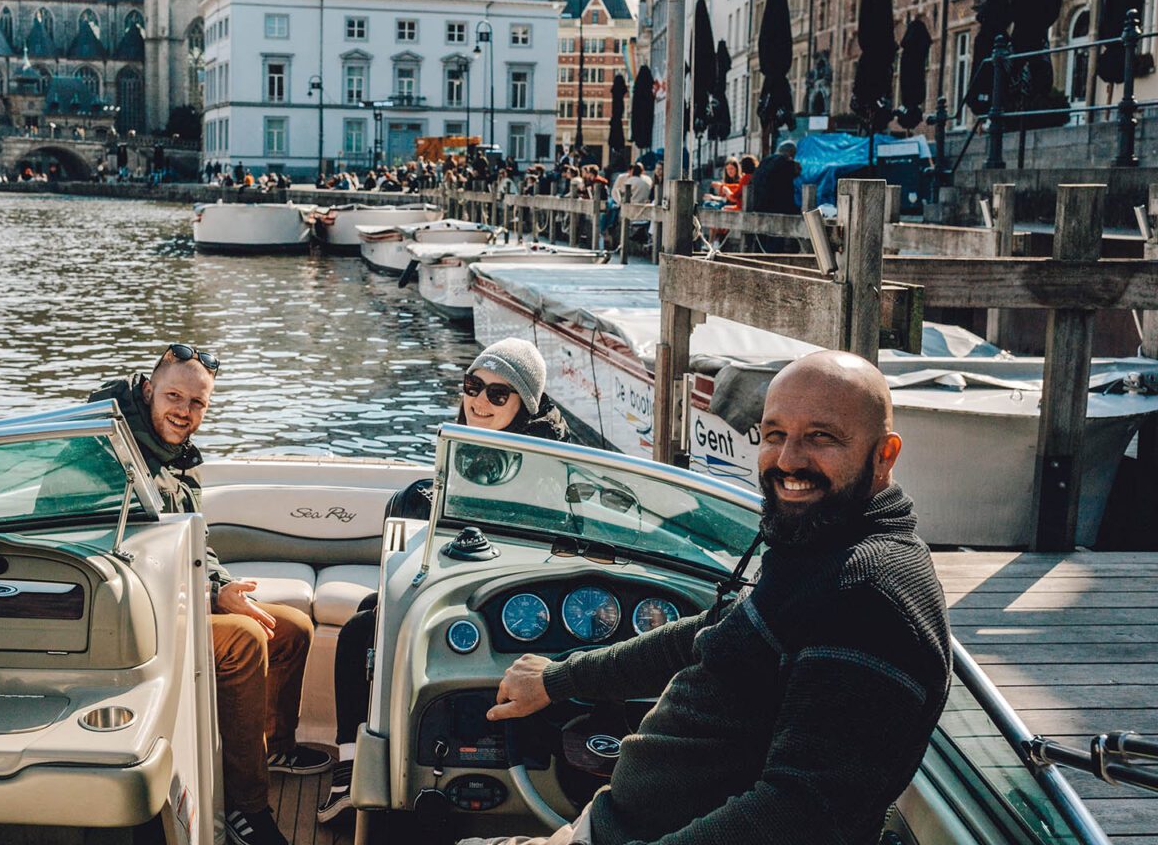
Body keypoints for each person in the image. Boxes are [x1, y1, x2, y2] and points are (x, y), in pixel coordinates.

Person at [467, 351, 950, 845]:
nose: (787, 461)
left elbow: (800, 813)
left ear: (884, 454)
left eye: (820, 437)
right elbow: (705, 634)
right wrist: (558, 678)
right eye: (774, 435)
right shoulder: (822, 548)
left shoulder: (867, 597)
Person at [319, 339, 571, 825]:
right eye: (474, 386)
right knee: (363, 628)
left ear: (526, 404)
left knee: (365, 631)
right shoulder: (460, 444)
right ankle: (353, 768)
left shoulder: (550, 463)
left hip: (518, 602)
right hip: (457, 588)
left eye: (499, 394)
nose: (480, 401)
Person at [86, 348, 329, 845]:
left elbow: (196, 546)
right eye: (175, 396)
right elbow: (121, 559)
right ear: (149, 390)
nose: (185, 411)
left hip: (177, 598)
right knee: (242, 640)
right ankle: (247, 807)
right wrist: (214, 595)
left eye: (198, 403)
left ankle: (272, 749)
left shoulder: (173, 458)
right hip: (129, 616)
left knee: (292, 630)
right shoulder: (109, 454)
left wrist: (219, 587)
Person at [746, 139, 801, 215]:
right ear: (791, 153)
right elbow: (787, 189)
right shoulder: (786, 163)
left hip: (758, 206)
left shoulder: (765, 161)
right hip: (775, 207)